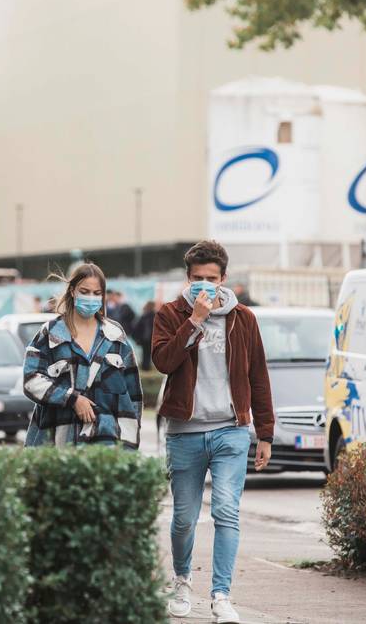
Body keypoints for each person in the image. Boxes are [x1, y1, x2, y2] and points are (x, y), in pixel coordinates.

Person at [152, 240, 273, 623]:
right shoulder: (171, 314)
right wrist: (194, 321)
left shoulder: (244, 319)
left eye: (212, 279)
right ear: (187, 279)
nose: (205, 286)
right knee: (185, 518)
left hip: (231, 431)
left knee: (226, 511)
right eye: (197, 279)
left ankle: (221, 595)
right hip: (185, 431)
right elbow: (163, 361)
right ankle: (183, 581)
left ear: (224, 279)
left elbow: (258, 377)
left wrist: (265, 432)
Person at [22, 263, 143, 447]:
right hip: (59, 445)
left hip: (108, 445)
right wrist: (71, 399)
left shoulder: (115, 336)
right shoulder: (51, 333)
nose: (90, 298)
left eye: (97, 293)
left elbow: (133, 396)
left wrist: (129, 442)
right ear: (72, 291)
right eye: (84, 291)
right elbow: (31, 381)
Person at [131, 301, 157, 372]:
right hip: (150, 338)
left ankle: (145, 367)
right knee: (148, 353)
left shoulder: (144, 316)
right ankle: (146, 367)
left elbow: (136, 327)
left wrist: (138, 338)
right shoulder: (154, 315)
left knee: (145, 353)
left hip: (144, 338)